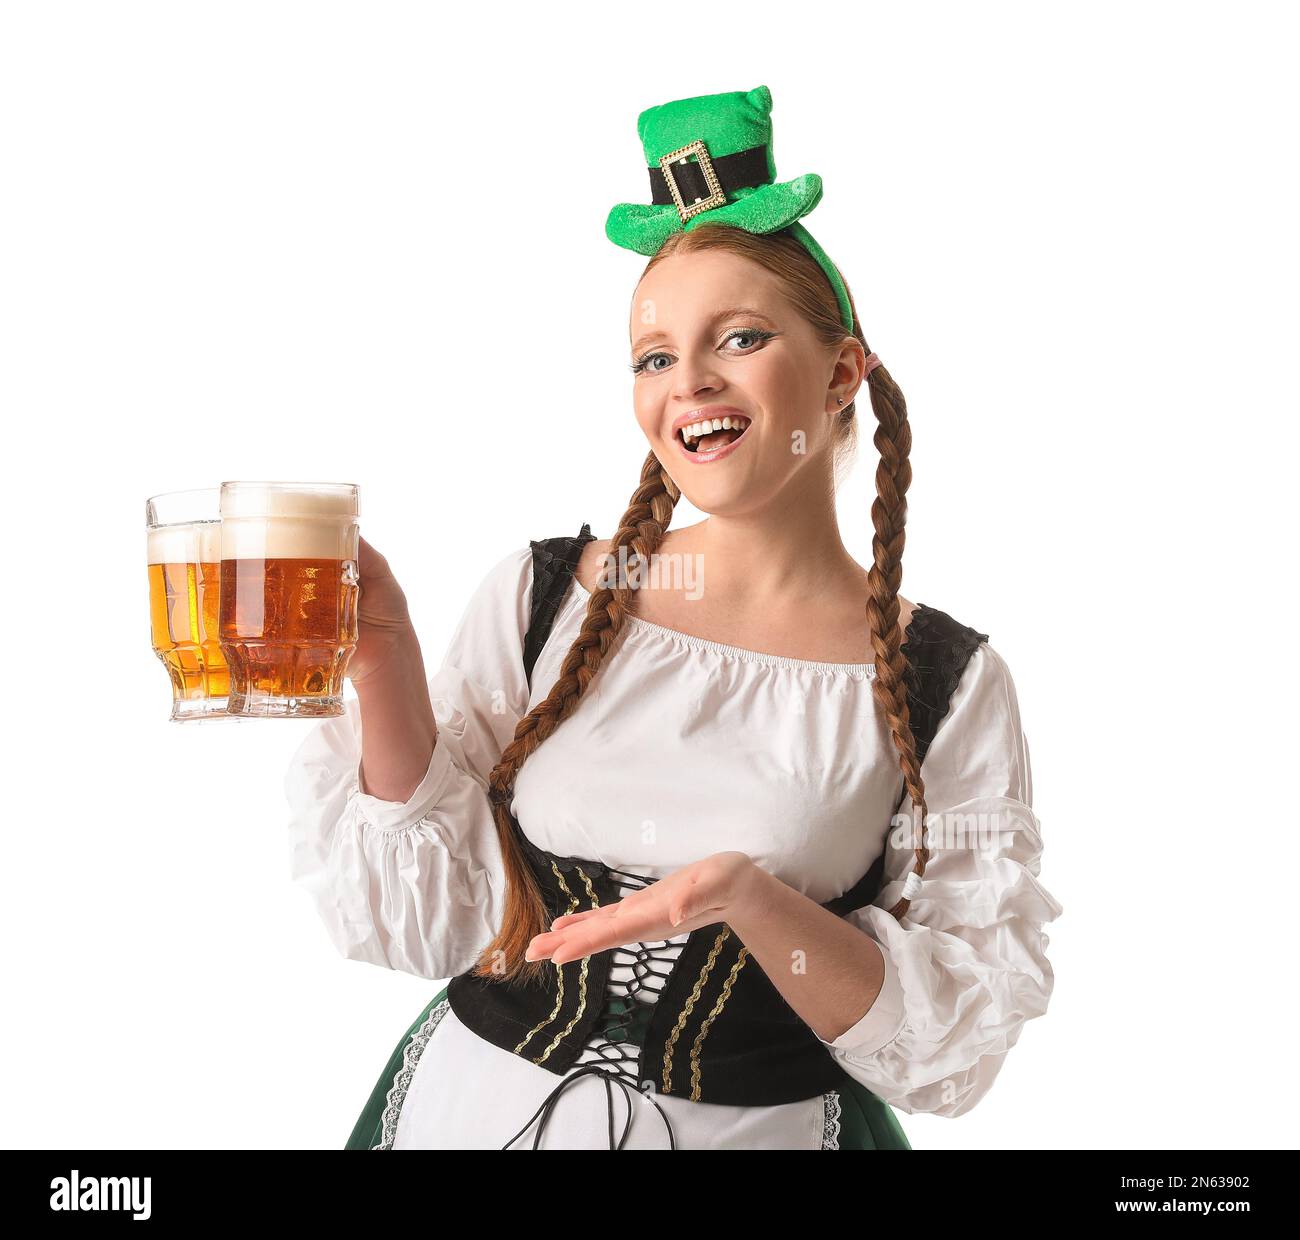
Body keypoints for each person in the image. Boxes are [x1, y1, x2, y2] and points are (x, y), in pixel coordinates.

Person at [283, 85, 1063, 1150]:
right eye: (654, 355)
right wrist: (382, 656)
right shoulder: (545, 596)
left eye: (736, 338)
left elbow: (949, 1046)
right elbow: (431, 913)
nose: (688, 382)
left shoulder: (945, 681)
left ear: (842, 372)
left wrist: (744, 896)